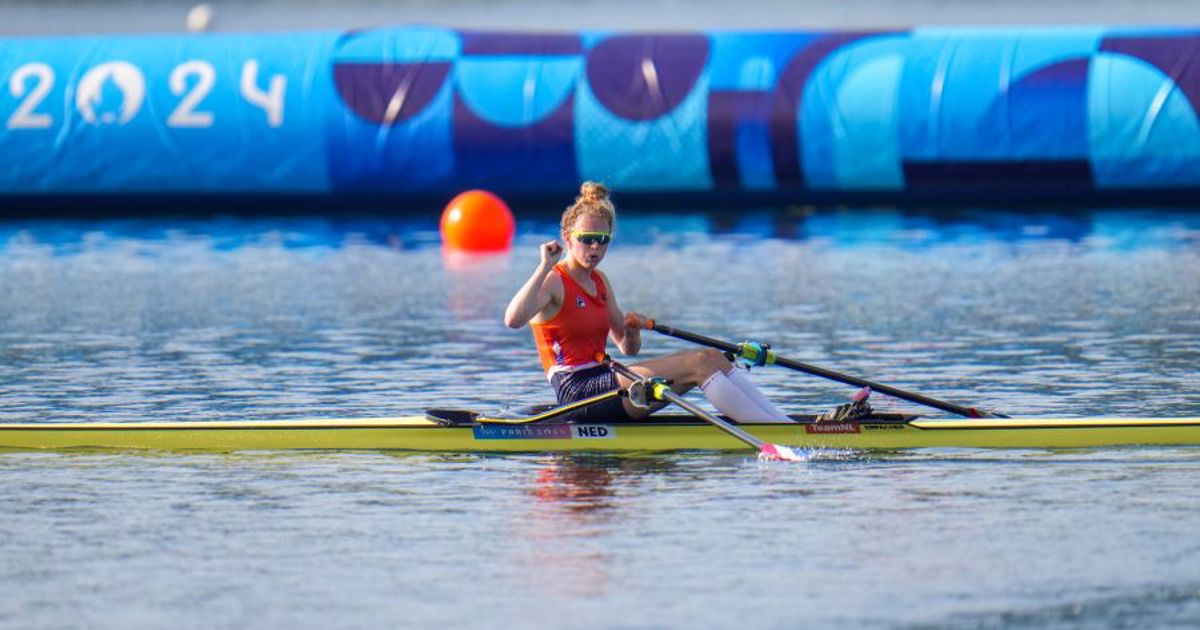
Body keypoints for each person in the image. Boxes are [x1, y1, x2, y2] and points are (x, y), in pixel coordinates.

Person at [504, 181, 793, 424]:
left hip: (608, 380)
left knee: (714, 357)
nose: (595, 247)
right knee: (700, 362)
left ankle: (782, 424)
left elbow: (628, 348)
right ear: (568, 237)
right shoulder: (554, 280)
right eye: (588, 239)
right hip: (577, 393)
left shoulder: (600, 282)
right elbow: (513, 320)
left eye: (603, 239)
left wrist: (631, 329)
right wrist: (543, 266)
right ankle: (773, 430)